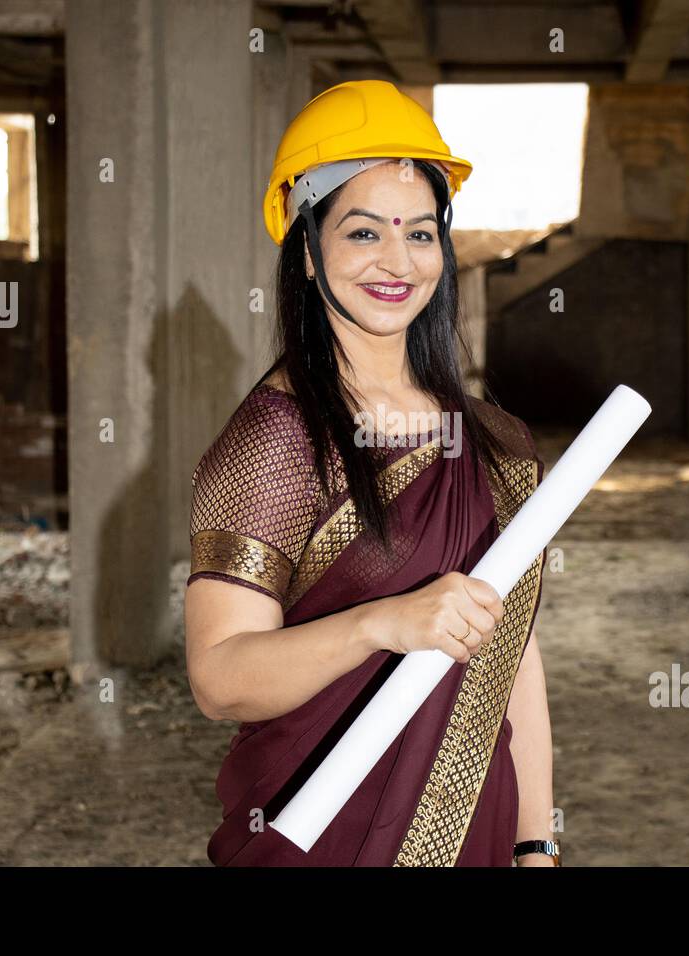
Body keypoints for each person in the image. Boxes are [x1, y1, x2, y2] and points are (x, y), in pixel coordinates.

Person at [183, 79, 559, 867]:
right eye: (362, 234)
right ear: (309, 251)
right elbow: (220, 678)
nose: (398, 261)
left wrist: (535, 845)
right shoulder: (280, 439)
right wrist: (378, 624)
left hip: (474, 838)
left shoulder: (494, 442)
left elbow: (513, 660)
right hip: (316, 836)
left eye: (421, 234)